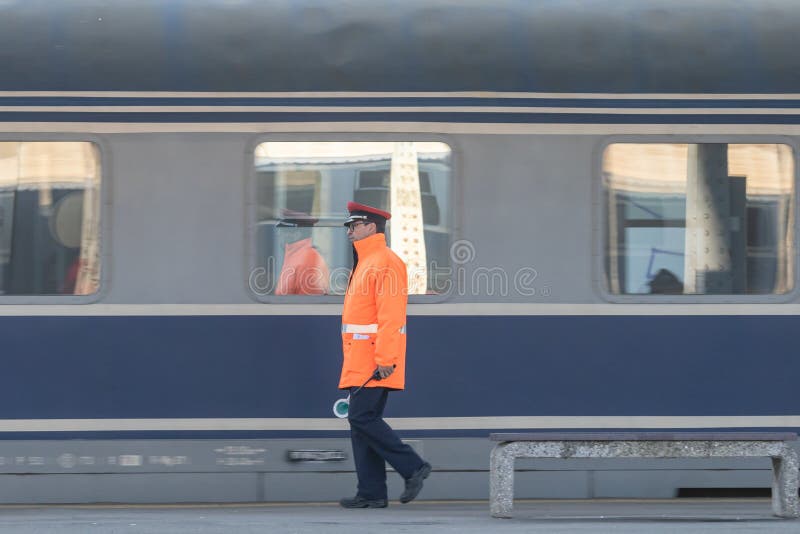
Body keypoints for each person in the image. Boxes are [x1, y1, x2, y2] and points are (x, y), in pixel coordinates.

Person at [338, 201, 431, 509]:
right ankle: (372, 492)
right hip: (359, 358)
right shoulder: (366, 261)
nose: (350, 230)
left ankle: (413, 466)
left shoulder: (385, 262)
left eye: (355, 224)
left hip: (374, 360)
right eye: (349, 226)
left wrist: (386, 360)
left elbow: (392, 317)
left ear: (371, 227)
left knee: (361, 417)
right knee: (361, 422)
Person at [274, 209, 329, 295]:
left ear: (296, 234)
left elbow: (309, 303)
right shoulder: (294, 254)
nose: (279, 234)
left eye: (283, 231)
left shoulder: (309, 258)